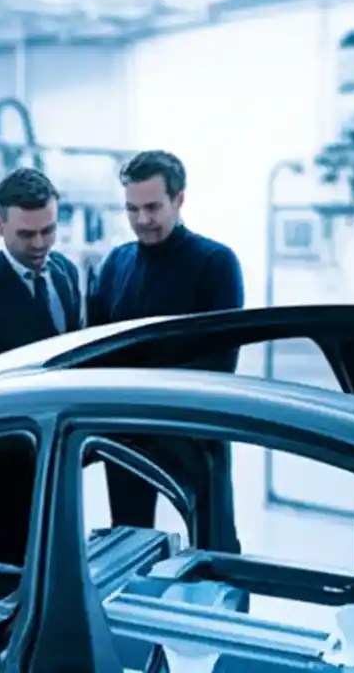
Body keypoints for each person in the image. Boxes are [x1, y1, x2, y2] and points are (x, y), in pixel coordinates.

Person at [87, 150, 245, 553]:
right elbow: (96, 350)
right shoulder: (116, 263)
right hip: (125, 433)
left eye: (153, 207)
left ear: (179, 200)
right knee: (128, 544)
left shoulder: (216, 263)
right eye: (132, 209)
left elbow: (219, 361)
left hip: (192, 433)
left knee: (214, 546)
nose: (143, 219)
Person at [0, 168, 84, 575]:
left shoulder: (65, 274)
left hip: (61, 455)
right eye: (26, 234)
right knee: (13, 578)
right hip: (6, 470)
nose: (40, 243)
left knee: (60, 569)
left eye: (48, 230)